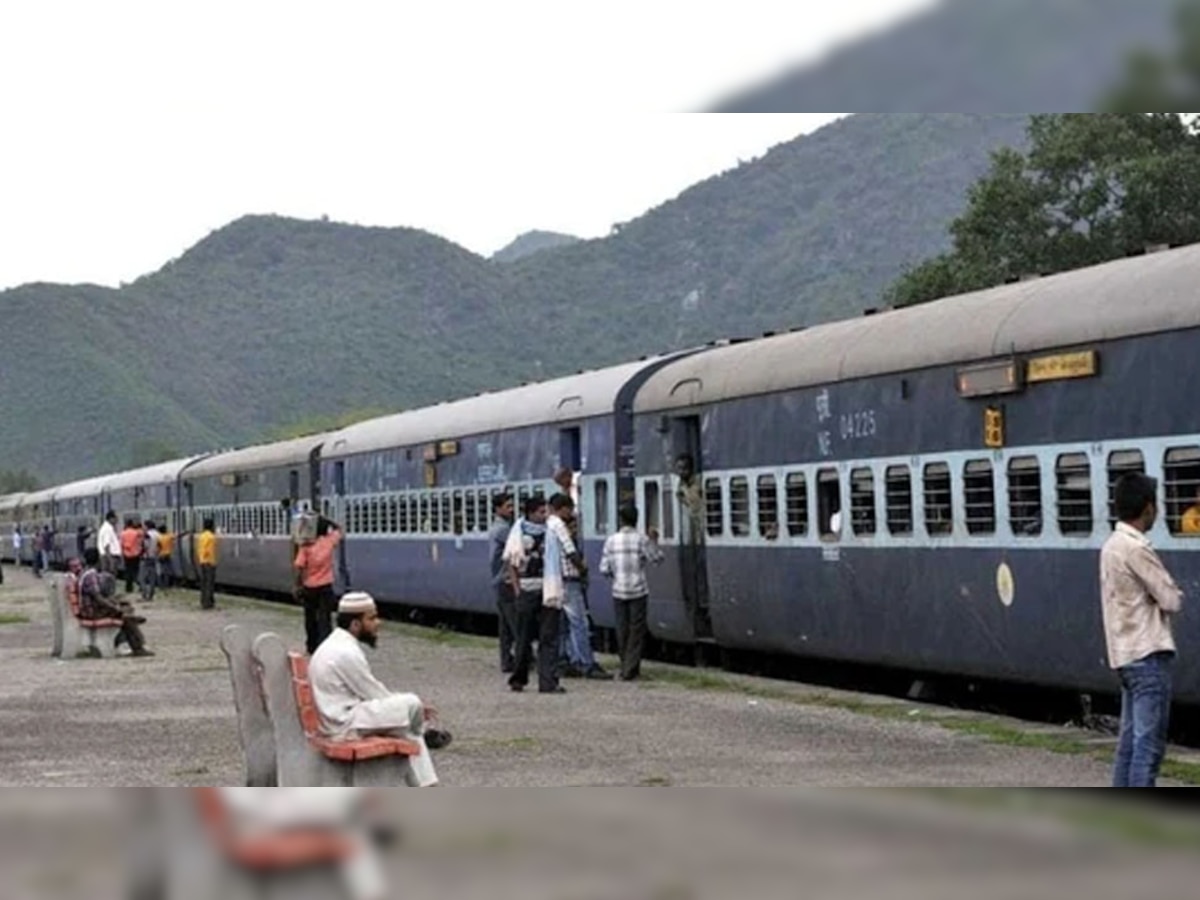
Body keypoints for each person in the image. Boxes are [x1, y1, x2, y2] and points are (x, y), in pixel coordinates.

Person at [309, 593, 449, 787]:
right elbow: (373, 692)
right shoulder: (345, 653)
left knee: (406, 726)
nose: (378, 623)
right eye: (371, 618)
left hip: (342, 719)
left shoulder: (335, 644)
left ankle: (428, 784)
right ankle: (422, 733)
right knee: (411, 703)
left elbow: (372, 693)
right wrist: (413, 707)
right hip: (343, 725)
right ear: (355, 624)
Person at [1101, 473, 1184, 788]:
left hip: (1124, 656)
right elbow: (1171, 599)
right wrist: (1167, 594)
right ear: (1148, 508)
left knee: (1128, 745)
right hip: (1148, 655)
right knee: (1148, 749)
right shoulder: (1136, 549)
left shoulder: (1111, 546)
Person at [547, 494, 612, 680]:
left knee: (563, 625)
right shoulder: (558, 525)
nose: (572, 512)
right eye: (570, 508)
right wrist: (583, 569)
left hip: (557, 580)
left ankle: (566, 659)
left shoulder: (547, 525)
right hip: (569, 580)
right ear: (563, 508)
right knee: (580, 623)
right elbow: (570, 551)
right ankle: (586, 663)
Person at [503, 496, 563, 694]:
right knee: (523, 638)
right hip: (527, 592)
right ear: (530, 513)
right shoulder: (518, 533)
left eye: (546, 511)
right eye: (541, 512)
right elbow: (512, 562)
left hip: (548, 591)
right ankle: (519, 678)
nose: (545, 516)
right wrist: (517, 589)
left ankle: (548, 682)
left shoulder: (551, 532)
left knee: (548, 637)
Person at [600, 504, 665, 681]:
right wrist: (654, 541)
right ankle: (631, 670)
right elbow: (657, 558)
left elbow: (604, 569)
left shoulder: (611, 540)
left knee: (622, 630)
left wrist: (616, 573)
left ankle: (624, 667)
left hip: (618, 591)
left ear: (620, 520)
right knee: (636, 631)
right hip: (638, 590)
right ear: (636, 520)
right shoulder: (641, 540)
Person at [75, 549, 153, 658]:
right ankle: (137, 646)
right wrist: (115, 607)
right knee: (124, 615)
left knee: (124, 608)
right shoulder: (91, 576)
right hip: (92, 612)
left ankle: (130, 634)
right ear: (98, 560)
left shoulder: (84, 573)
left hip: (88, 609)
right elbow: (98, 598)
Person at [294, 516, 343, 655]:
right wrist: (328, 521)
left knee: (310, 618)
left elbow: (299, 567)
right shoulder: (329, 542)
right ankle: (325, 647)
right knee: (325, 618)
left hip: (310, 587)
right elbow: (339, 529)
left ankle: (311, 646)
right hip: (326, 587)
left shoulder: (306, 546)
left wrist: (297, 585)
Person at [487, 493, 518, 674]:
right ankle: (522, 658)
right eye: (507, 506)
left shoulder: (497, 527)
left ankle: (506, 661)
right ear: (498, 509)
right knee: (515, 624)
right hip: (506, 580)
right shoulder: (503, 530)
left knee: (505, 626)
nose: (511, 509)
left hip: (498, 581)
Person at [197, 517, 218, 610]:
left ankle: (203, 601)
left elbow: (201, 549)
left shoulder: (201, 536)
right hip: (209, 561)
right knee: (209, 583)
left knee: (204, 583)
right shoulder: (211, 537)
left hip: (202, 561)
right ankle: (208, 602)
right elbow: (208, 550)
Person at [120, 518, 143, 594]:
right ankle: (139, 585)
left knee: (128, 571)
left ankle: (128, 588)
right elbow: (140, 541)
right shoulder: (136, 533)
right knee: (136, 571)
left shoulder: (123, 533)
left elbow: (121, 544)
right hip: (136, 554)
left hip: (126, 554)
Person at [140, 521, 160, 602]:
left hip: (147, 557)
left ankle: (145, 594)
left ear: (147, 526)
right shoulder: (158, 534)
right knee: (152, 578)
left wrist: (143, 554)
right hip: (155, 557)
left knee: (142, 578)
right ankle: (151, 594)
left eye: (144, 526)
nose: (143, 528)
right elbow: (160, 546)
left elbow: (145, 546)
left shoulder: (147, 535)